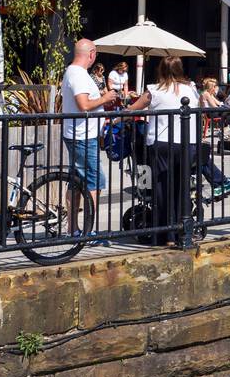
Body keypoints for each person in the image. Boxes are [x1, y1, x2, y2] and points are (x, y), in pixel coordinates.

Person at [127, 57, 198, 243]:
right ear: (180, 69)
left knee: (161, 188)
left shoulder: (154, 90)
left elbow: (133, 110)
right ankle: (184, 232)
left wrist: (117, 117)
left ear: (161, 70)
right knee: (182, 187)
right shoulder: (191, 89)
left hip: (161, 143)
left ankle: (165, 234)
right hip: (186, 142)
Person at [61, 39, 120, 234]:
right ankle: (88, 231)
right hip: (82, 137)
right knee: (95, 182)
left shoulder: (75, 72)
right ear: (92, 54)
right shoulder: (77, 74)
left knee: (77, 181)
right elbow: (84, 105)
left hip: (80, 135)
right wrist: (106, 98)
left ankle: (73, 229)